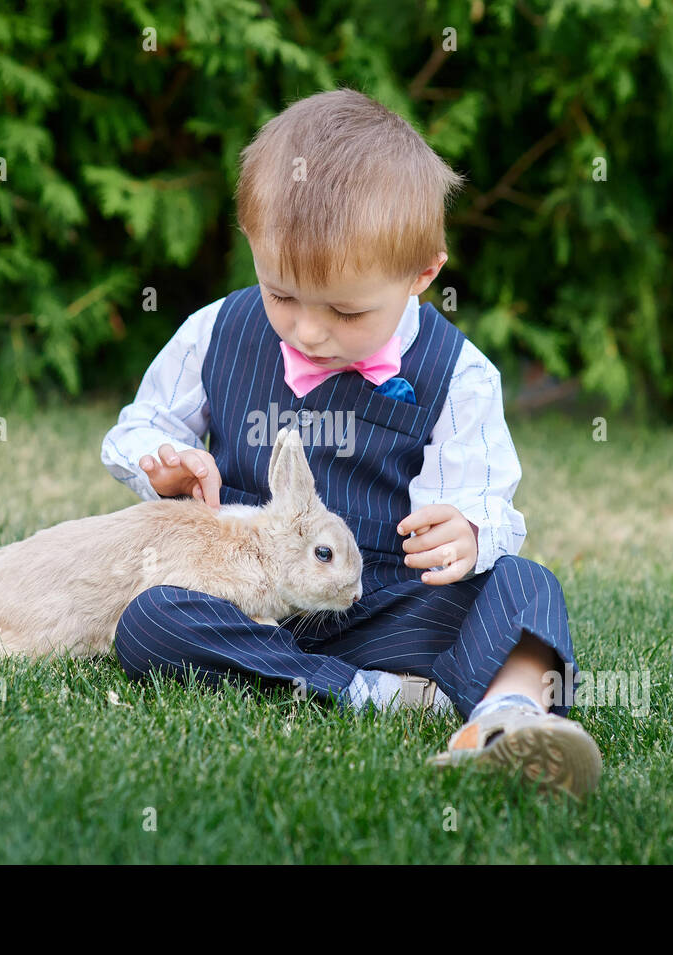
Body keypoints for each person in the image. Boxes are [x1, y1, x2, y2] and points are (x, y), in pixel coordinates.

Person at [101, 87, 602, 796]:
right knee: (152, 620)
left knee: (525, 585)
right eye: (282, 295)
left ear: (423, 274)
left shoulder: (457, 374)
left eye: (345, 309)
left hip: (377, 605)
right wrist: (164, 463)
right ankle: (372, 693)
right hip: (247, 596)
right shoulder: (218, 329)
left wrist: (465, 529)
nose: (308, 330)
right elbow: (140, 426)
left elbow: (484, 504)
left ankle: (509, 714)